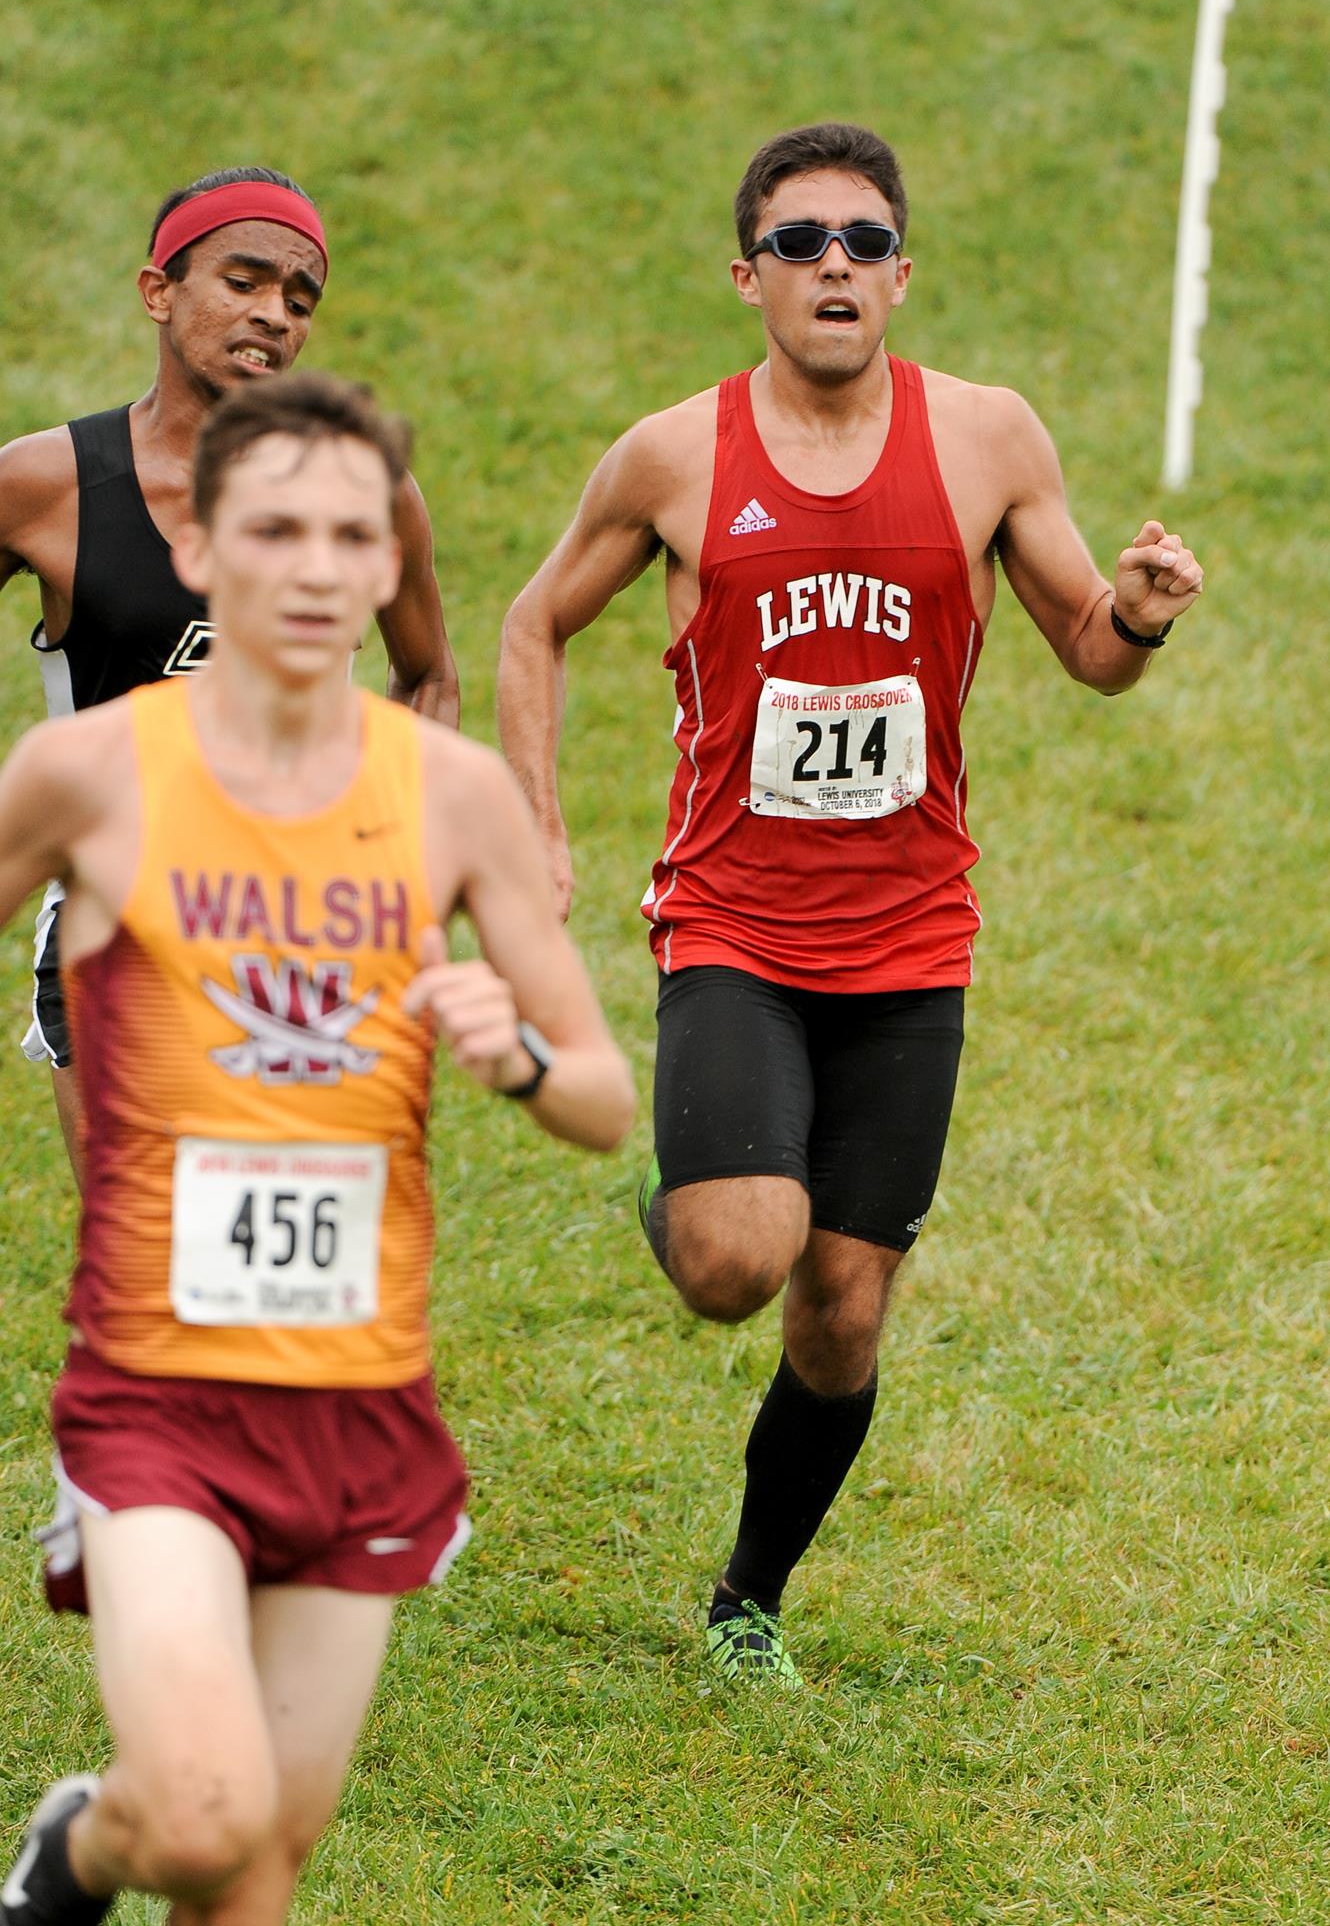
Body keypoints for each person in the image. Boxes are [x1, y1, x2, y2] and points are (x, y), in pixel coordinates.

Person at [497, 120, 1204, 1688]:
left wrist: (1137, 616)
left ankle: (749, 1599)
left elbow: (1085, 647)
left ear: (902, 276)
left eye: (863, 243)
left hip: (909, 938)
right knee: (737, 1262)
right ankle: (690, 1200)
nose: (834, 264)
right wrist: (532, 829)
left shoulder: (988, 440)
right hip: (734, 926)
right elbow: (533, 623)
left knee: (841, 1308)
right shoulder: (676, 456)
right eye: (801, 241)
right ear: (746, 274)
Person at [0, 371, 634, 1926]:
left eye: (351, 535)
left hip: (361, 1404)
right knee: (206, 1814)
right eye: (273, 527)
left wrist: (520, 1051)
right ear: (204, 549)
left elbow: (606, 1095)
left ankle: (106, 1838)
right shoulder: (91, 775)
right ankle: (76, 1855)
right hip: (156, 1387)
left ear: (383, 569)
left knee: (263, 1857)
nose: (312, 565)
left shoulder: (454, 799)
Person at [0, 165, 461, 1187]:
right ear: (159, 291)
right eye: (244, 281)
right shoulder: (44, 486)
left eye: (300, 298)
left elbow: (426, 675)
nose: (275, 316)